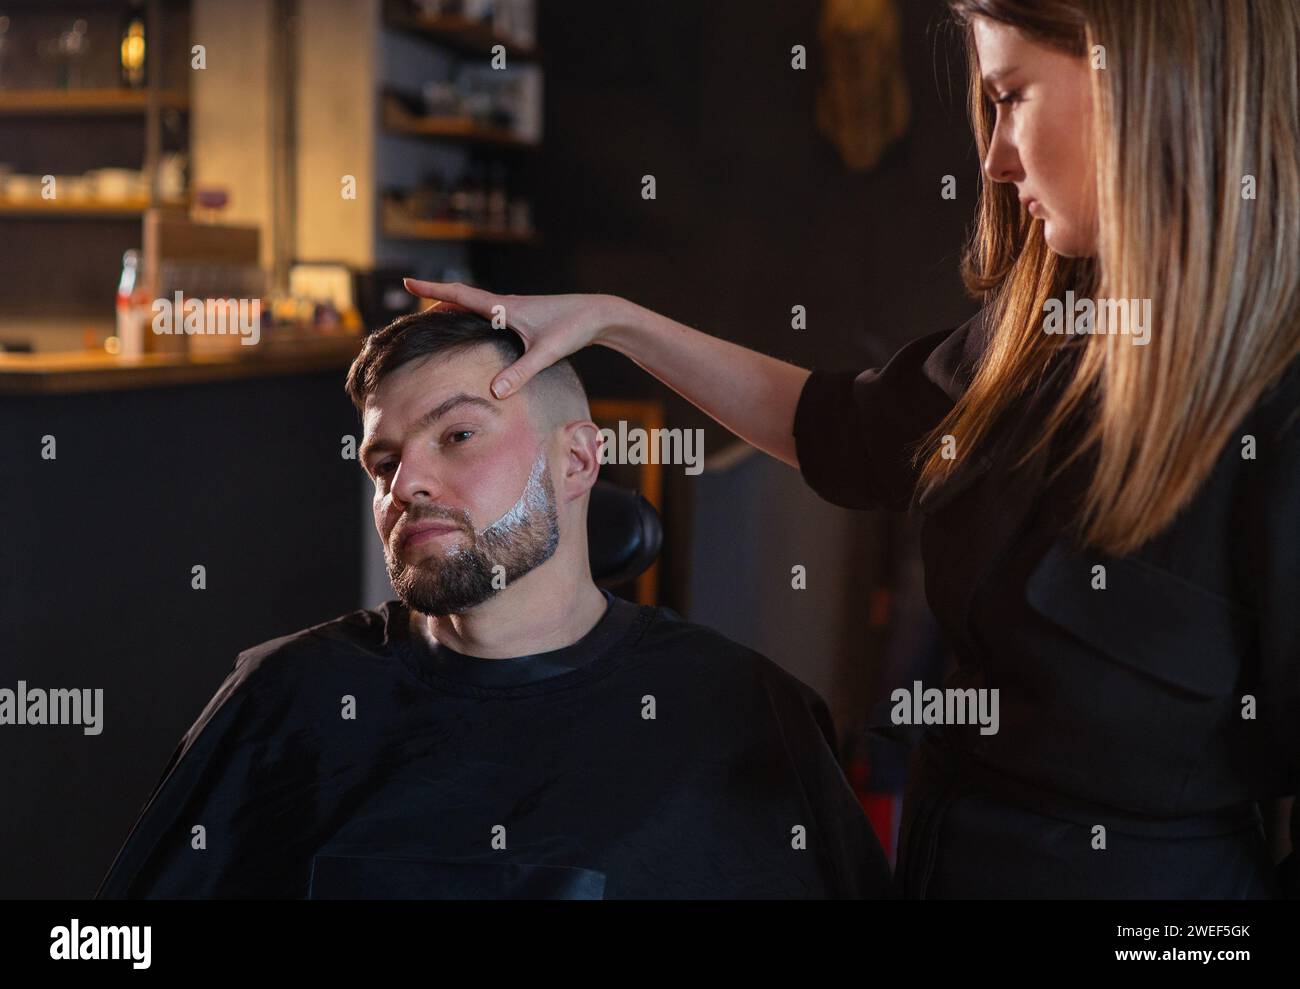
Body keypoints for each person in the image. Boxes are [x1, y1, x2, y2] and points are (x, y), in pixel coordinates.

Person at [403, 0, 1300, 898]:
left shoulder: (1281, 412)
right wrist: (617, 322)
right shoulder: (1037, 337)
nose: (994, 156)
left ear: (1140, 78)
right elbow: (834, 429)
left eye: (1011, 95)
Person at [95, 308, 891, 900]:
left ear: (577, 458)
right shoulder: (285, 697)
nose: (406, 485)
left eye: (458, 436)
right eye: (383, 462)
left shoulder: (744, 713)